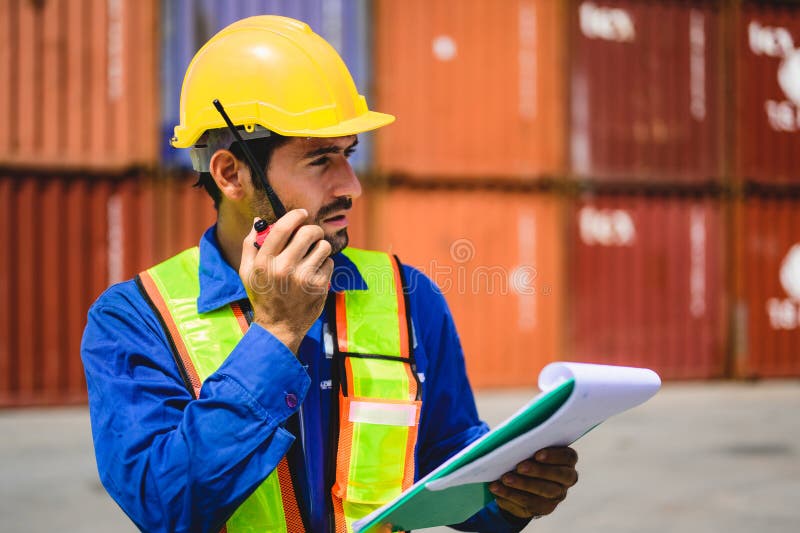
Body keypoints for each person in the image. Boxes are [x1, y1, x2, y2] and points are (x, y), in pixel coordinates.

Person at [81, 15, 578, 533]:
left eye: (348, 155)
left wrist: (511, 496)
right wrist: (275, 334)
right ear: (231, 174)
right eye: (320, 160)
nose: (351, 187)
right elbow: (166, 506)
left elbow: (443, 463)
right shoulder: (134, 319)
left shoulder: (410, 298)